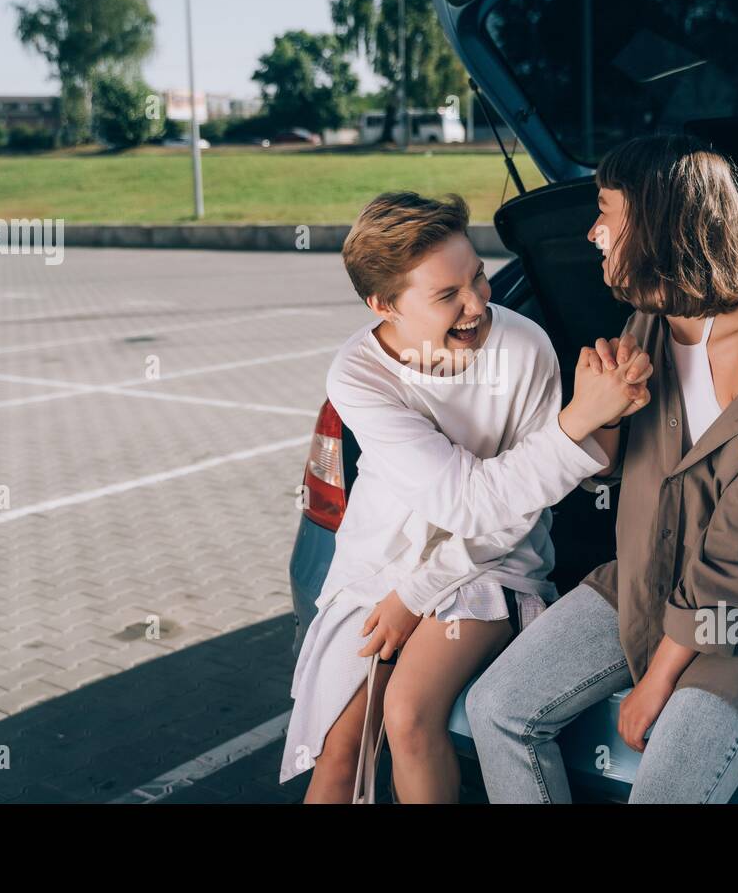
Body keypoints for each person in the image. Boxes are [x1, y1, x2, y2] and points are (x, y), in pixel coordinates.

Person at [466, 134, 738, 803]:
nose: (593, 232)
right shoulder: (646, 326)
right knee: (496, 708)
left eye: (606, 211)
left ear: (659, 222)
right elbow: (612, 475)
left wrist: (655, 683)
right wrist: (602, 414)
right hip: (646, 572)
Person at [277, 190, 653, 802]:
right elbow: (467, 500)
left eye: (478, 276)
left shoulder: (523, 347)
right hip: (382, 567)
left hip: (491, 564)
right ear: (383, 305)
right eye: (447, 295)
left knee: (407, 713)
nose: (479, 304)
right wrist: (580, 418)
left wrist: (416, 597)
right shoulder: (358, 372)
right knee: (338, 751)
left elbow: (510, 514)